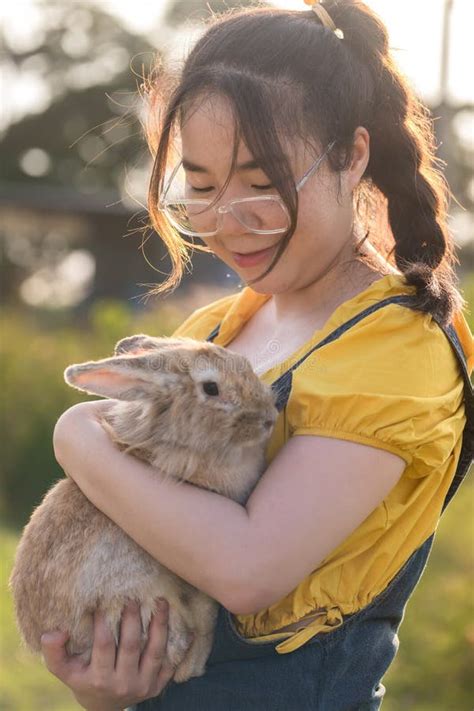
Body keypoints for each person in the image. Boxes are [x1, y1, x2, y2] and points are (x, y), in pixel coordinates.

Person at [41, 1, 473, 709]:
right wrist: (106, 678)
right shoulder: (221, 326)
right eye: (203, 188)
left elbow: (247, 570)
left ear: (351, 154)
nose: (226, 221)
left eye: (262, 183)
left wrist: (74, 433)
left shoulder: (396, 345)